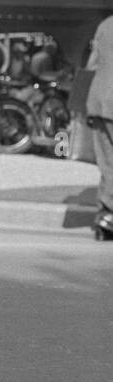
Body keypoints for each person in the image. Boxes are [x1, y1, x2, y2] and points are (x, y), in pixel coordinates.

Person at [83, 16, 113, 241]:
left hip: (99, 99)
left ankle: (106, 215)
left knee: (107, 163)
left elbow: (92, 64)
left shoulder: (105, 24)